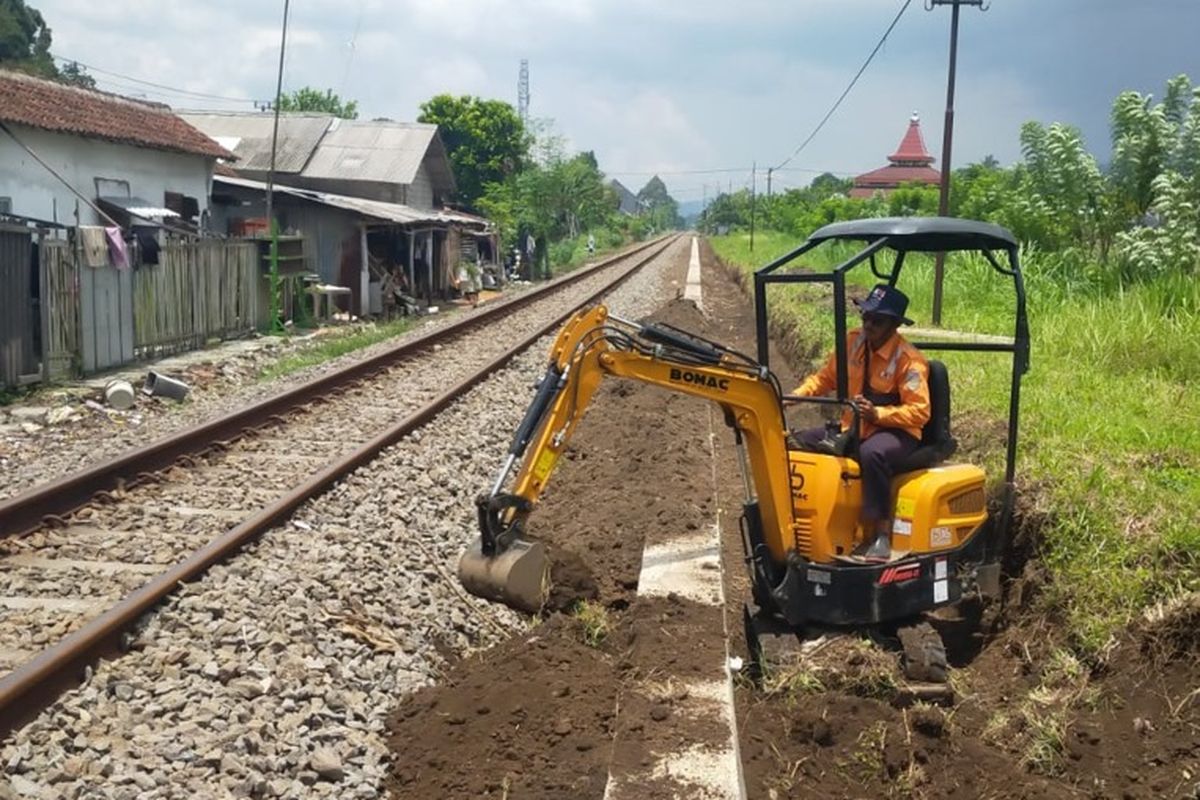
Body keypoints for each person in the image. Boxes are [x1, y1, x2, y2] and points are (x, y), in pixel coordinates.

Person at [789, 284, 930, 562]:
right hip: (854, 427)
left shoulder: (909, 361)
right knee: (796, 443)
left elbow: (919, 411)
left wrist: (879, 415)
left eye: (877, 320)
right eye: (865, 317)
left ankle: (880, 534)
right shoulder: (853, 342)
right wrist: (794, 396)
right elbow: (824, 378)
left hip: (897, 432)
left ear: (894, 325)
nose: (868, 324)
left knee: (872, 454)